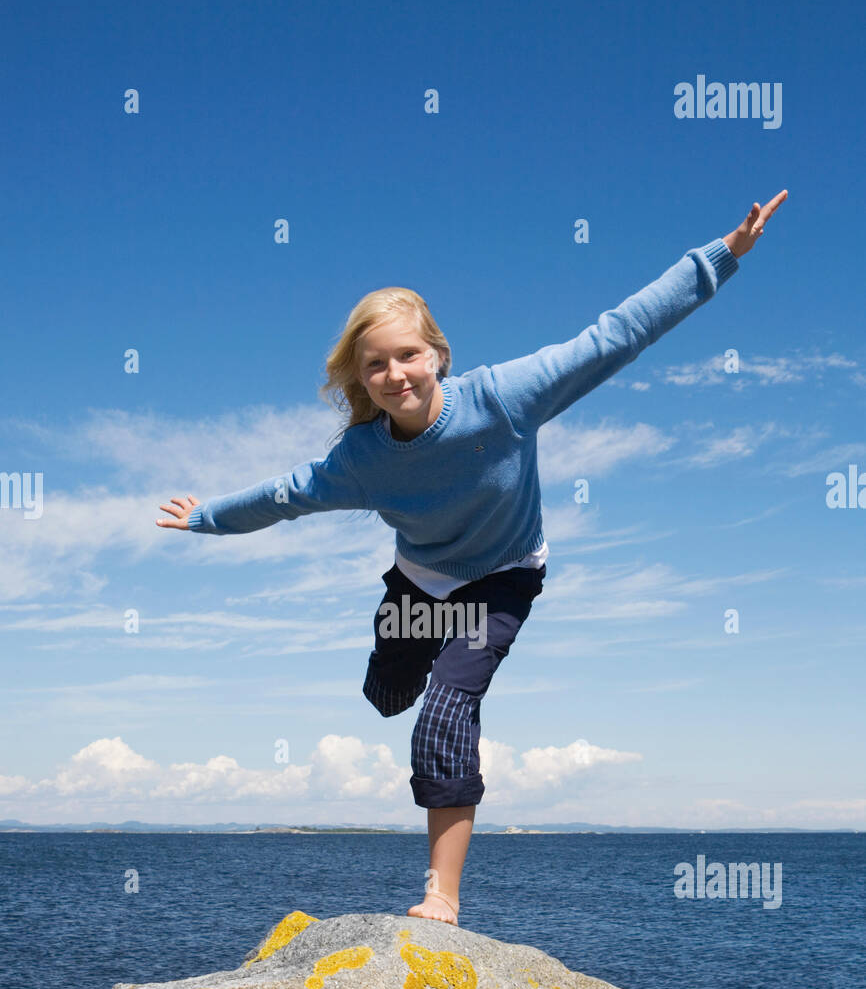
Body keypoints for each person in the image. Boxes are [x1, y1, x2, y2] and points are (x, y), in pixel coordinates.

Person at [157, 191, 787, 926]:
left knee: (447, 712)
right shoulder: (360, 459)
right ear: (360, 380)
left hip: (504, 577)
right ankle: (401, 660)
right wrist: (205, 517)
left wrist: (722, 255)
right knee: (388, 698)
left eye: (410, 355)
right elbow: (284, 495)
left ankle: (441, 896)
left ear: (439, 356)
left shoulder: (504, 399)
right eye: (377, 364)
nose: (397, 374)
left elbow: (616, 335)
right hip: (418, 583)